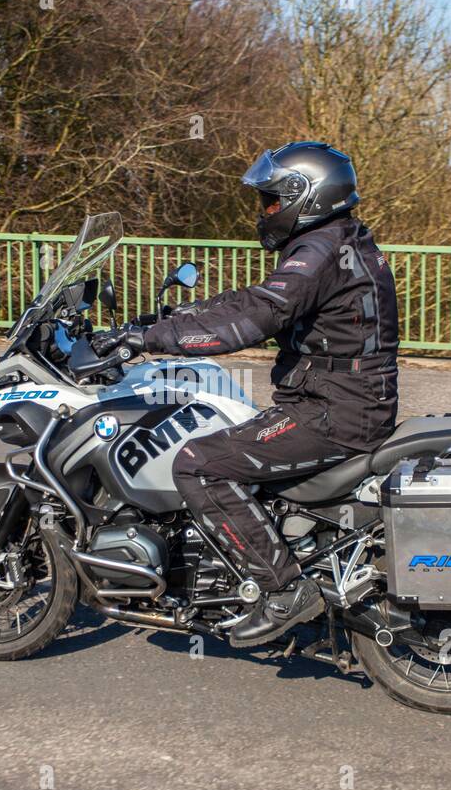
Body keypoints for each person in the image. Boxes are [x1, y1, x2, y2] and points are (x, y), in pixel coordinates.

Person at [95, 141, 399, 647]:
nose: (267, 211)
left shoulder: (321, 249)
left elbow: (257, 317)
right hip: (346, 402)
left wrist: (147, 341)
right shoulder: (335, 241)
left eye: (273, 199)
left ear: (308, 195)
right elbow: (250, 299)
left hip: (333, 412)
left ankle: (283, 590)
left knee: (199, 463)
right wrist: (165, 322)